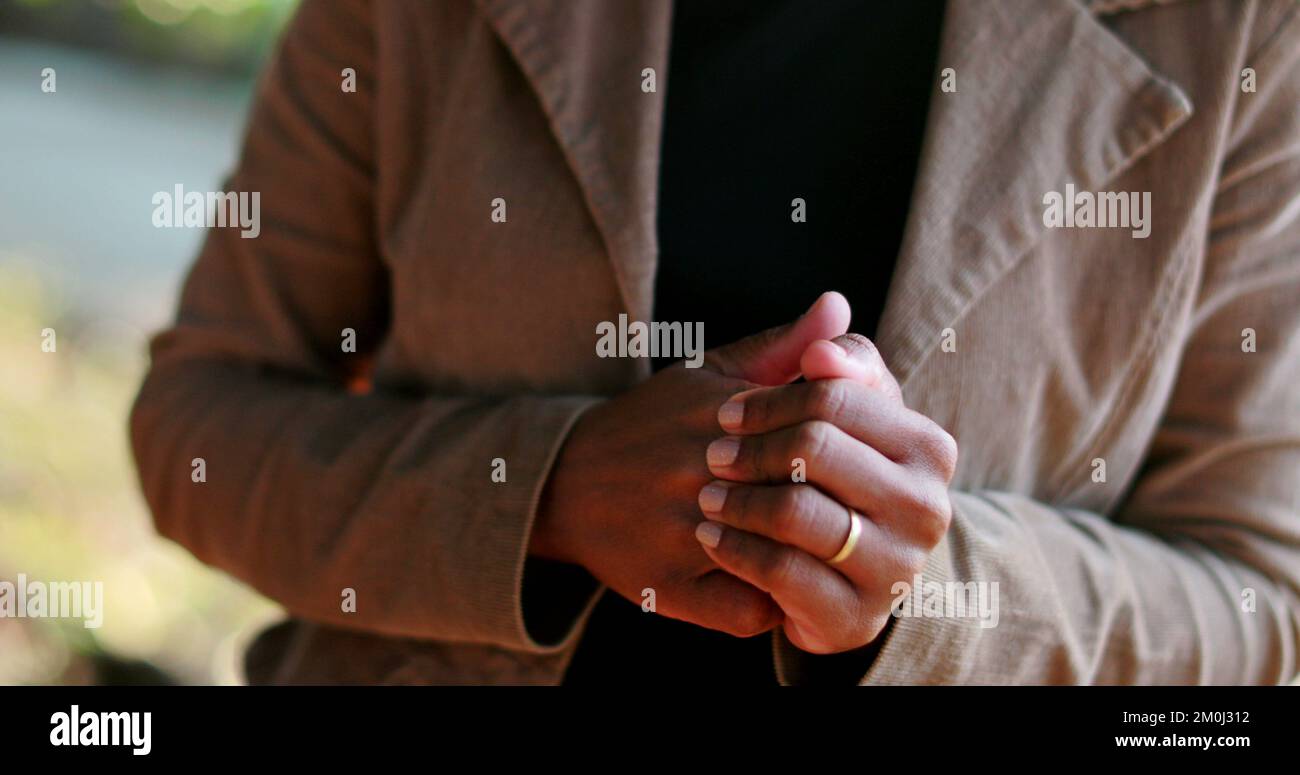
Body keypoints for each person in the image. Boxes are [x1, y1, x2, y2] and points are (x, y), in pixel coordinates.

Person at [130, 0, 1300, 685]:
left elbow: (1261, 608)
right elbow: (197, 430)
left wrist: (925, 590)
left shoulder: (1250, 32)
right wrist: (542, 491)